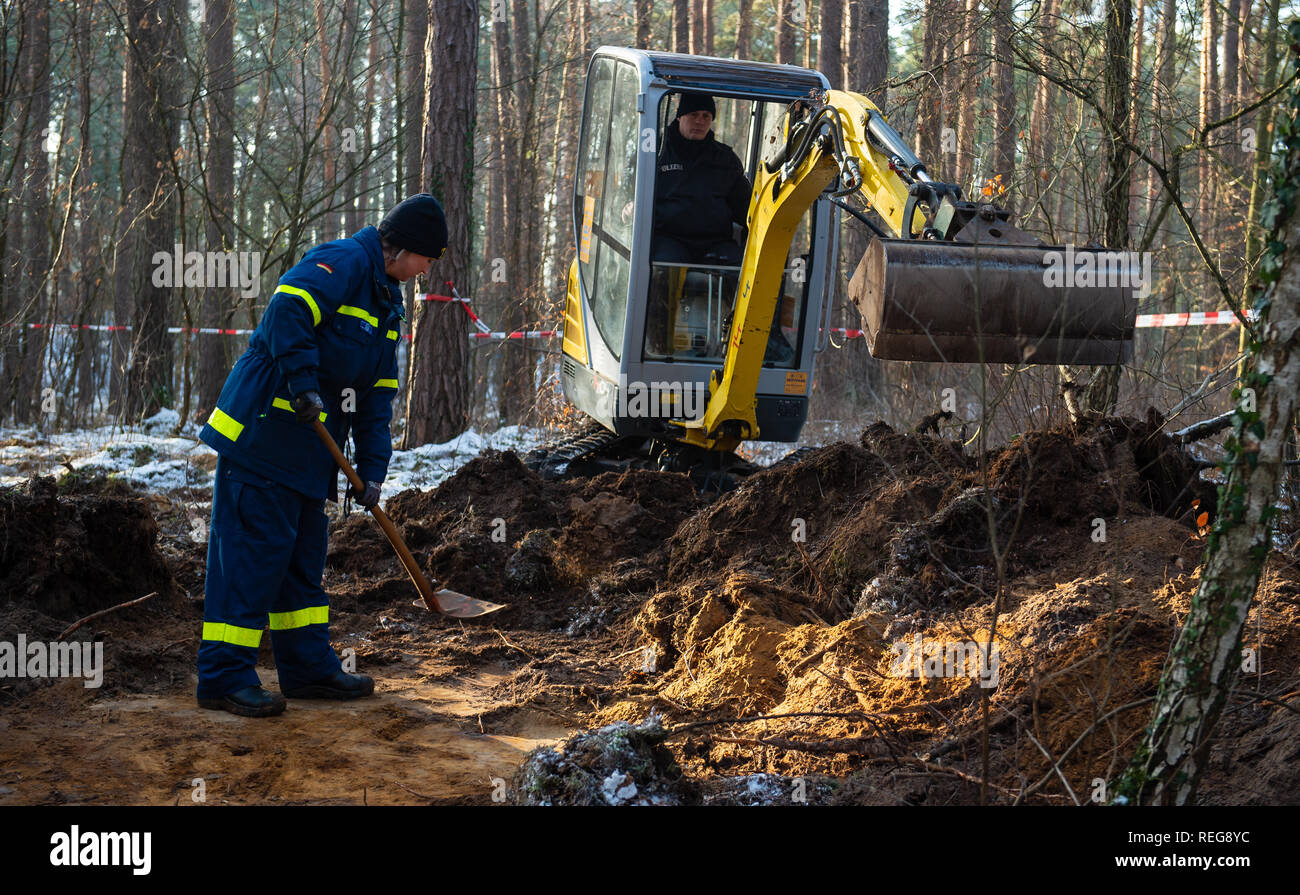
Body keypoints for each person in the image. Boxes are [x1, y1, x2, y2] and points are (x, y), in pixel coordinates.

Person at [195, 194, 449, 717]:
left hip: (310, 457)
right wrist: (304, 383)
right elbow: (287, 309)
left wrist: (373, 471)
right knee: (251, 560)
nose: (428, 269)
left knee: (301, 565)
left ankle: (308, 669)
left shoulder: (388, 303)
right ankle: (222, 677)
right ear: (403, 249)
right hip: (263, 439)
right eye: (428, 258)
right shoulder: (344, 262)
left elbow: (378, 396)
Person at [651, 93, 751, 266]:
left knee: (744, 267)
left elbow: (746, 207)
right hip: (669, 239)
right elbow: (630, 190)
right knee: (663, 267)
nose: (700, 121)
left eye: (706, 116)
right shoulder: (656, 152)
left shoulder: (725, 159)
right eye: (694, 114)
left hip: (715, 243)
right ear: (679, 115)